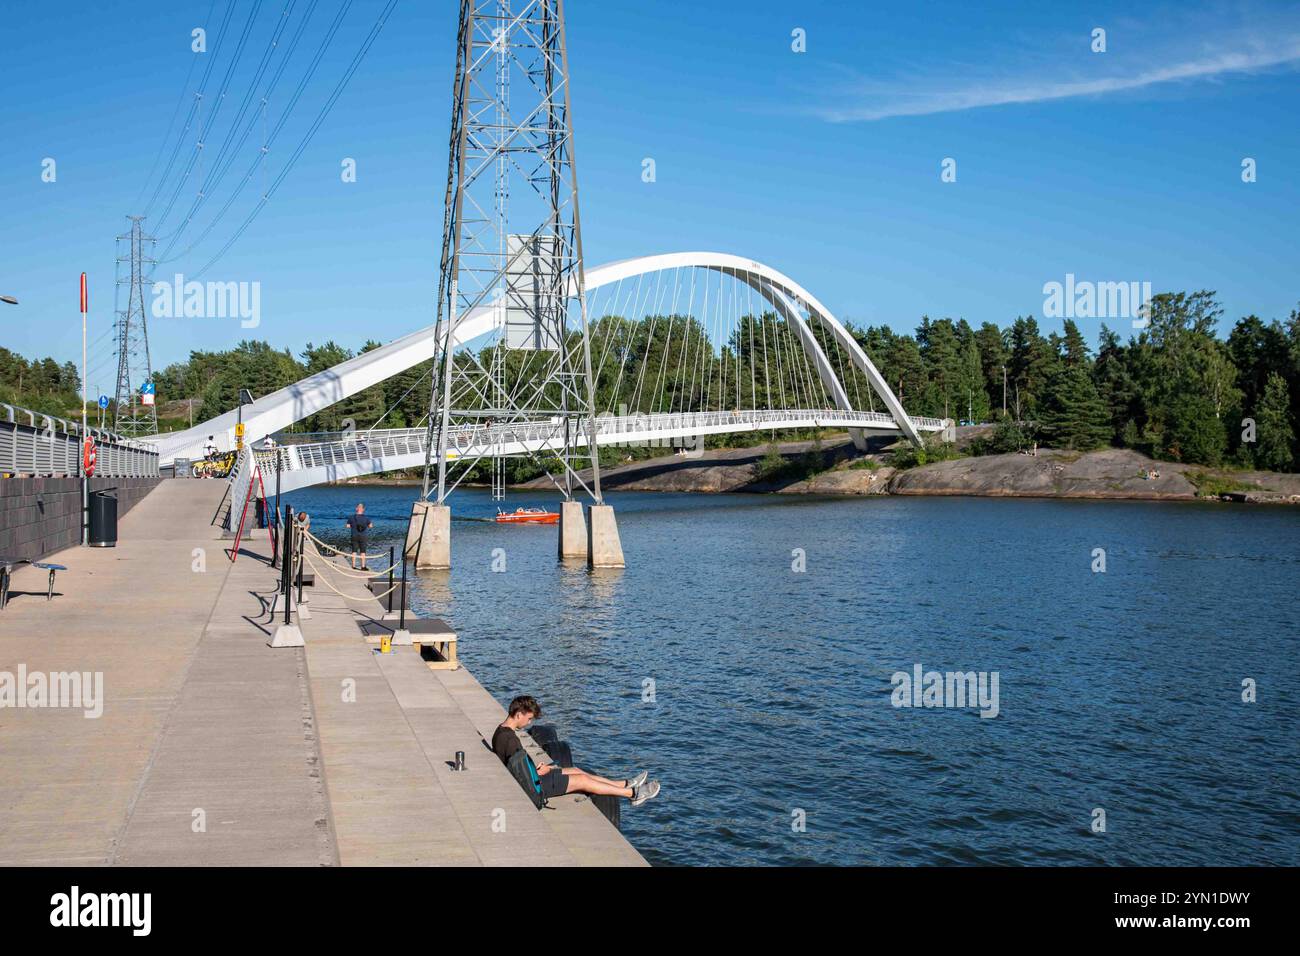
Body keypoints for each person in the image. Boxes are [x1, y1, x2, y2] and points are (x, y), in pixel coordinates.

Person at [491, 696, 660, 807]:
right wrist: (537, 774)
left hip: (531, 776)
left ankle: (624, 783)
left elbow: (518, 766)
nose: (528, 724)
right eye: (528, 719)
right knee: (582, 780)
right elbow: (522, 775)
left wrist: (538, 770)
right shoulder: (510, 740)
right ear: (519, 714)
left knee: (577, 770)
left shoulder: (501, 731)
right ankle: (633, 794)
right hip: (535, 788)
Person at [344, 503, 373, 571]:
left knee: (354, 551)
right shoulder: (366, 518)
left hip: (354, 535)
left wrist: (353, 526)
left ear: (356, 509)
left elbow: (347, 526)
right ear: (363, 509)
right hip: (363, 536)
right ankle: (363, 567)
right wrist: (365, 526)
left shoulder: (351, 517)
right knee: (363, 552)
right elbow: (371, 526)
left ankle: (353, 566)